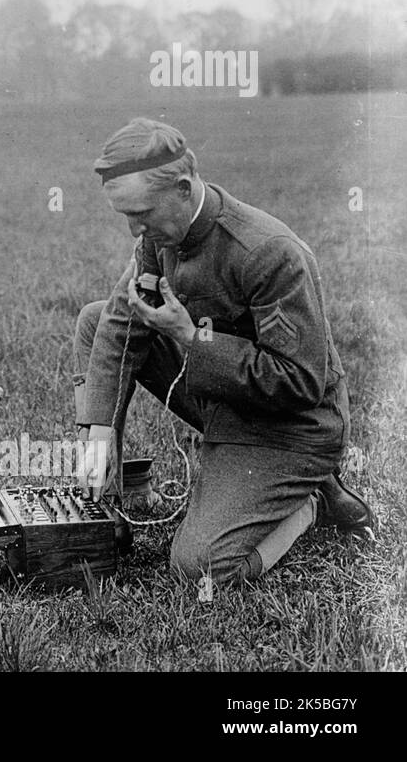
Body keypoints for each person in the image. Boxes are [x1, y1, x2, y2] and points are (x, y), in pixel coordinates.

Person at [72, 117, 372, 586]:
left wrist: (192, 339)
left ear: (183, 187)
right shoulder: (160, 236)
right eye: (126, 216)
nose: (135, 230)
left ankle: (311, 501)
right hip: (225, 402)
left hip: (291, 427)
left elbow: (300, 382)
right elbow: (118, 323)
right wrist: (98, 431)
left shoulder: (268, 251)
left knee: (202, 569)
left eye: (142, 213)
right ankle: (101, 510)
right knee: (95, 321)